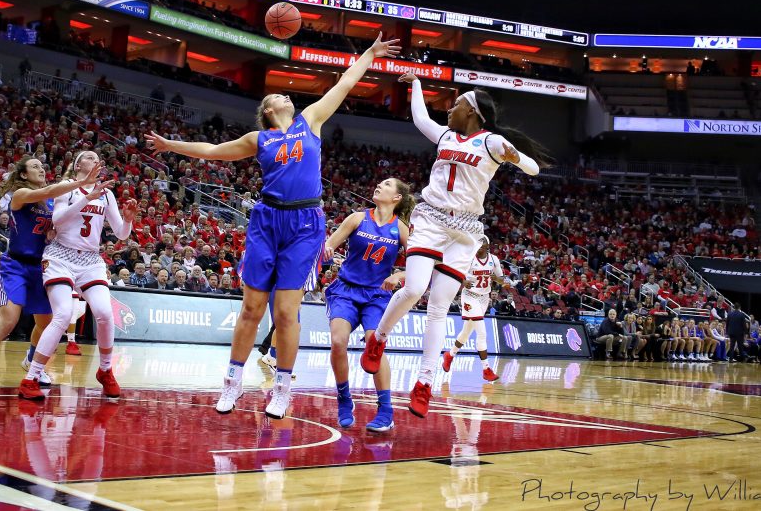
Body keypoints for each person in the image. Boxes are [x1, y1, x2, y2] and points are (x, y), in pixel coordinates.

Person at [147, 34, 401, 419]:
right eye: (279, 96)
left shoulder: (310, 120)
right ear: (267, 110)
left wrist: (368, 53)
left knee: (286, 312)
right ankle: (232, 382)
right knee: (252, 307)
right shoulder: (259, 138)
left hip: (305, 223)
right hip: (267, 220)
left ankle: (282, 388)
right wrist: (172, 145)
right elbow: (215, 152)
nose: (287, 97)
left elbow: (345, 84)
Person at [360, 74, 547, 417]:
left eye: (457, 103)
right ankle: (379, 338)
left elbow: (533, 168)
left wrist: (515, 157)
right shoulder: (445, 135)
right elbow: (420, 118)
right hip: (430, 218)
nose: (450, 107)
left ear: (472, 112)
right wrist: (415, 83)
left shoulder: (492, 142)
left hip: (465, 231)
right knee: (415, 288)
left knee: (440, 306)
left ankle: (425, 382)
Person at [0, 156, 102, 392]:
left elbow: (59, 224)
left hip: (41, 266)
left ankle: (32, 362)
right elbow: (53, 189)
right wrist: (80, 184)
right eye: (35, 166)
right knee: (8, 323)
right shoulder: (21, 194)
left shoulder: (52, 204)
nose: (41, 169)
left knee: (47, 322)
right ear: (23, 174)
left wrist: (54, 233)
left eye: (43, 166)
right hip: (15, 265)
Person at [18, 150, 137, 400]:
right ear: (78, 164)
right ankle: (31, 377)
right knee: (62, 315)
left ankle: (105, 371)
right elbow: (58, 220)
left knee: (105, 314)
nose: (96, 160)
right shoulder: (66, 187)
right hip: (60, 255)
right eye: (90, 157)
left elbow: (121, 234)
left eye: (97, 158)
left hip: (90, 259)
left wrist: (128, 221)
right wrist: (86, 198)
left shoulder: (107, 194)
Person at [322, 178, 412, 432]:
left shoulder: (401, 229)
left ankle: (386, 410)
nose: (379, 186)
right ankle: (344, 399)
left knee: (375, 346)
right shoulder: (357, 218)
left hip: (377, 296)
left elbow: (420, 267)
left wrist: (398, 276)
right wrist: (327, 249)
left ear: (396, 198)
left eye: (386, 185)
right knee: (338, 341)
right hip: (346, 291)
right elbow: (330, 244)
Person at [442, 236, 506, 380]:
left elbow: (500, 279)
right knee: (482, 333)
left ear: (487, 247)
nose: (477, 249)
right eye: (476, 246)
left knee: (466, 332)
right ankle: (486, 369)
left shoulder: (493, 259)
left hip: (484, 298)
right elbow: (455, 271)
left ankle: (450, 354)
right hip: (470, 296)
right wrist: (463, 281)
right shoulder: (469, 257)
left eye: (481, 247)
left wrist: (498, 279)